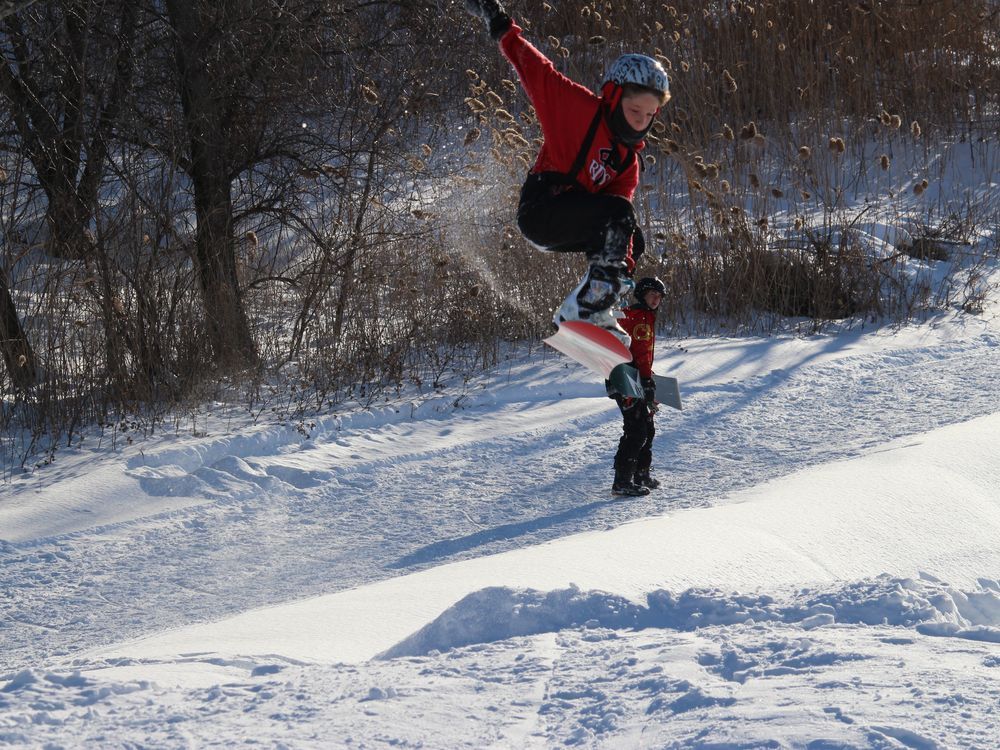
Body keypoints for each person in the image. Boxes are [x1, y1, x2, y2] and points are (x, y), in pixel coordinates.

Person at [463, 0, 670, 345]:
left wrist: (625, 274)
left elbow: (616, 223)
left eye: (649, 115)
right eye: (634, 109)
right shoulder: (578, 110)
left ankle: (598, 307)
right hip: (542, 208)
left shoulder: (627, 162)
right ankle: (588, 307)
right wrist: (498, 21)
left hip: (573, 218)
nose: (640, 120)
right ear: (614, 97)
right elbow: (536, 70)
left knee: (633, 234)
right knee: (621, 215)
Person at [608, 276, 666, 496]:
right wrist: (647, 381)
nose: (656, 299)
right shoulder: (638, 317)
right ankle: (622, 481)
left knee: (647, 428)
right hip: (626, 378)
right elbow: (638, 353)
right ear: (642, 295)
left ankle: (640, 473)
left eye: (659, 296)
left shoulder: (641, 315)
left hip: (634, 377)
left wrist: (649, 378)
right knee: (636, 430)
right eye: (652, 294)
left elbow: (638, 353)